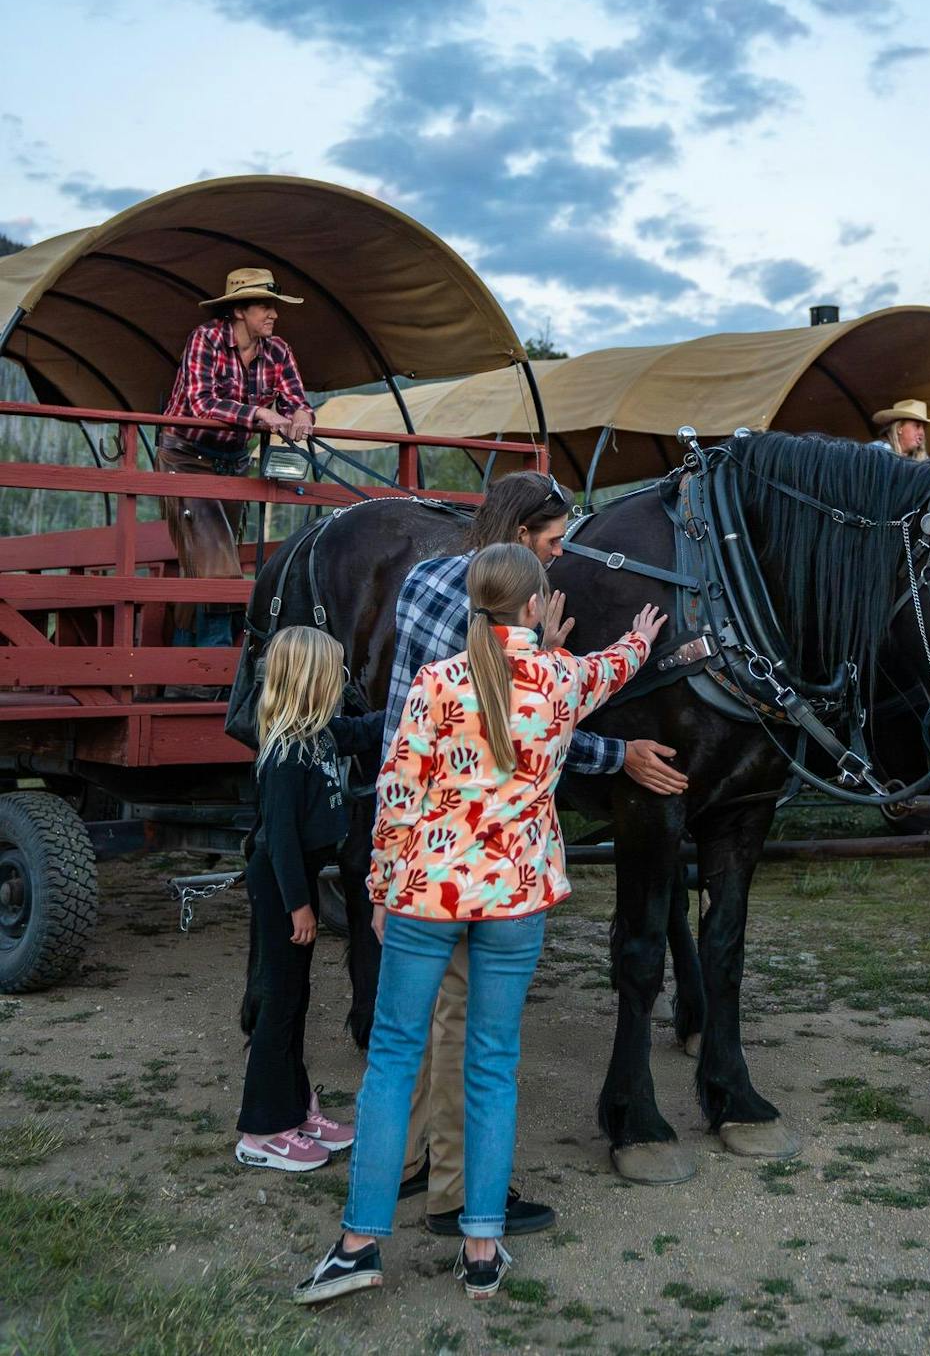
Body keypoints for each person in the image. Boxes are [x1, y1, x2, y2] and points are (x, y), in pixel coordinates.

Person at [293, 543, 666, 1306]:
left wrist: (381, 891)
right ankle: (483, 1249)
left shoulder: (435, 684)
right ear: (533, 607)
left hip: (426, 897)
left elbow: (397, 797)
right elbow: (614, 667)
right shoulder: (561, 679)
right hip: (516, 902)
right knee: (492, 1067)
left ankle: (358, 1245)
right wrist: (643, 636)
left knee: (392, 1064)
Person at [383, 470, 687, 1241]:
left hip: (420, 858)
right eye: (552, 543)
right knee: (470, 1035)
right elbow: (522, 728)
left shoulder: (425, 586)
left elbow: (452, 732)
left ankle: (402, 1172)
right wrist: (615, 740)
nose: (559, 555)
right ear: (522, 541)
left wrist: (383, 879)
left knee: (412, 1031)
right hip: (494, 877)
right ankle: (459, 1199)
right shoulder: (539, 666)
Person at [234, 625, 385, 1173]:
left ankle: (295, 1108)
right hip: (281, 885)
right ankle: (262, 1129)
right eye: (335, 673)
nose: (343, 682)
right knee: (278, 1002)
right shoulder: (285, 755)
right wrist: (299, 905)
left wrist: (421, 697)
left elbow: (365, 730)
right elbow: (277, 841)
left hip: (294, 880)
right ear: (312, 681)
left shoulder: (320, 733)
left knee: (295, 998)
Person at [159, 267, 313, 653]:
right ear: (239, 311)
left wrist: (301, 416)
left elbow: (296, 400)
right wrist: (260, 413)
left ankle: (183, 664)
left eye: (274, 306)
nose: (273, 314)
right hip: (187, 457)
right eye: (264, 306)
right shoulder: (206, 339)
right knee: (217, 558)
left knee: (209, 559)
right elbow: (202, 403)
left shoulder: (277, 350)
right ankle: (219, 657)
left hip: (233, 460)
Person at [868, 397, 930, 462]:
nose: (922, 433)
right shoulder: (876, 451)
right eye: (917, 426)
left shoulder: (922, 459)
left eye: (923, 428)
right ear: (899, 428)